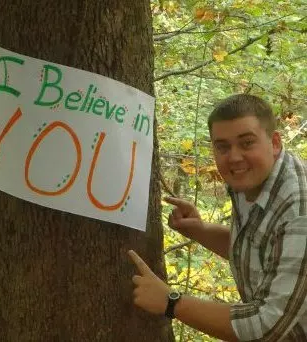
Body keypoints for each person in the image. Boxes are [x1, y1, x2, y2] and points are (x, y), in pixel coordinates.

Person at [128, 94, 307, 341]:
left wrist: (171, 303)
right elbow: (264, 250)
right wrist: (200, 230)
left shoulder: (299, 210)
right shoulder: (255, 178)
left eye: (246, 143)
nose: (233, 157)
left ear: (275, 142)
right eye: (222, 146)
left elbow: (268, 326)